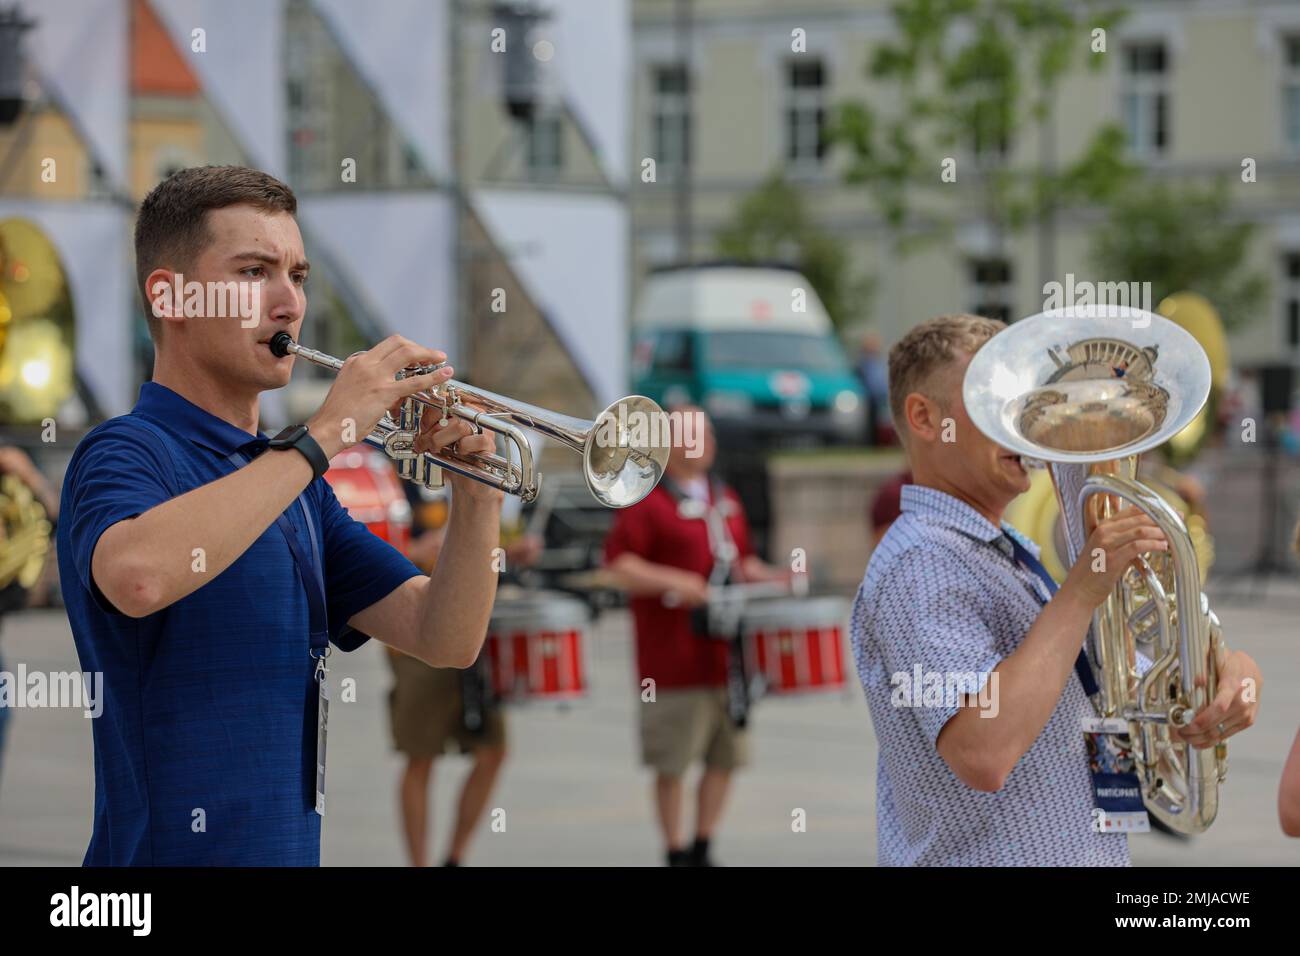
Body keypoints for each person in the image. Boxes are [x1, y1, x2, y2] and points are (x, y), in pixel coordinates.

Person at [57, 165, 503, 865]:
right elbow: (137, 577)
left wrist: (476, 499)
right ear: (169, 296)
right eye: (254, 272)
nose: (288, 302)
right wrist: (324, 434)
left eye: (297, 275)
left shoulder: (294, 483)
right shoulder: (126, 451)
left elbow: (443, 636)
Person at [852, 313, 1263, 866]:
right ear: (925, 418)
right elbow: (983, 751)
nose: (1023, 424)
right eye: (991, 401)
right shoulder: (919, 563)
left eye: (1026, 401)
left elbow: (1132, 680)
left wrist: (1227, 673)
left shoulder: (1003, 551)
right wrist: (1082, 589)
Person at [604, 405, 786, 866]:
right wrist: (675, 582)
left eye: (705, 433)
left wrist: (774, 577)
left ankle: (704, 846)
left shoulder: (725, 497)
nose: (703, 441)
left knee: (726, 756)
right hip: (672, 658)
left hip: (727, 657)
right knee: (673, 762)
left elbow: (739, 561)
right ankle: (674, 850)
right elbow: (619, 567)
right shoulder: (647, 500)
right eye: (691, 434)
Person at [388, 478, 542, 867]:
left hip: (476, 627)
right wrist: (416, 550)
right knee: (421, 755)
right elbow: (353, 545)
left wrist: (513, 551)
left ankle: (454, 858)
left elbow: (485, 547)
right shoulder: (395, 471)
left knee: (494, 750)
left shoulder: (476, 468)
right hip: (410, 630)